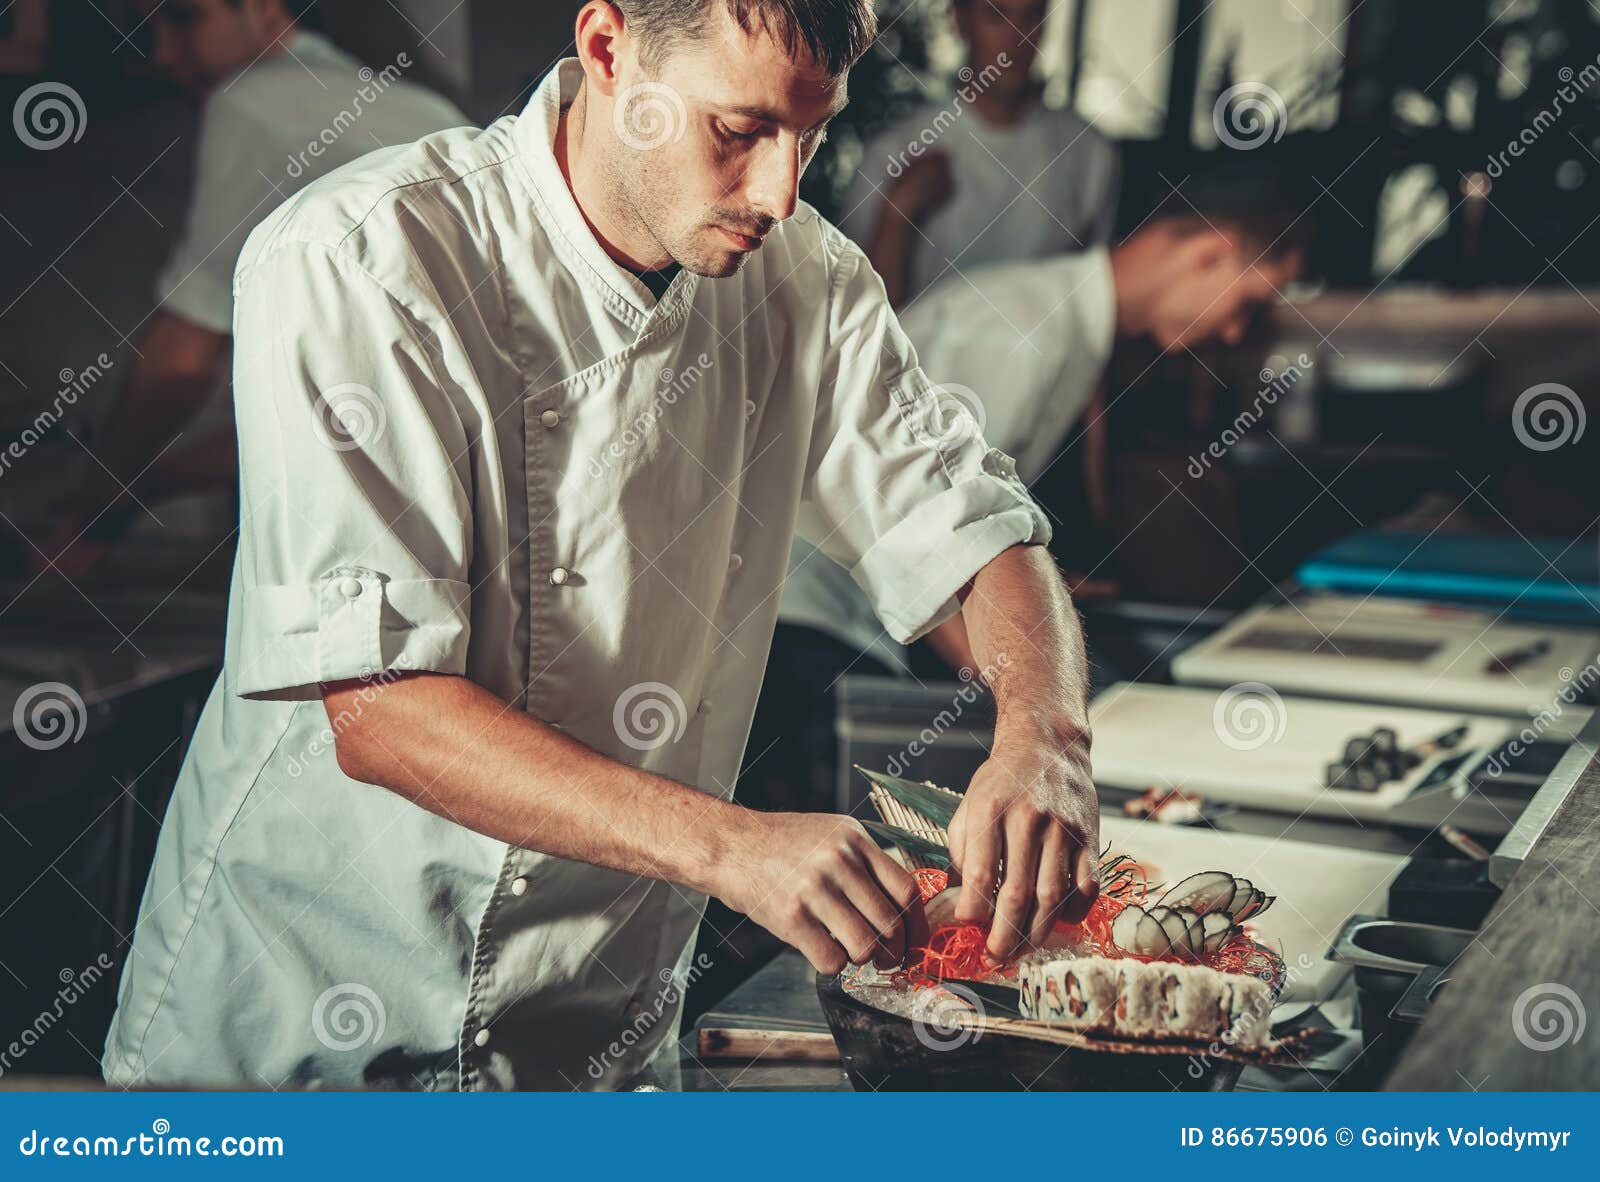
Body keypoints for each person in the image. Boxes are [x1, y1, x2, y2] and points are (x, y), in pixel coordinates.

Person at [103, 0, 1101, 1092]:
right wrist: (733, 848)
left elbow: (972, 529)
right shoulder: (364, 257)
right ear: (608, 49)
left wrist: (1044, 735)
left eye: (810, 137)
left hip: (593, 1042)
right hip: (309, 1030)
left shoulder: (806, 280)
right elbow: (383, 709)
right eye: (740, 130)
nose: (779, 192)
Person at [758, 193, 1309, 831]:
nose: (1238, 332)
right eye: (1250, 304)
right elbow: (933, 535)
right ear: (1210, 253)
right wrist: (1038, 721)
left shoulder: (1070, 327)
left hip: (870, 614)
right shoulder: (1018, 329)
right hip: (815, 620)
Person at [35, 0, 466, 578]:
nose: (162, 53)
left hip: (382, 538)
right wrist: (139, 492)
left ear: (263, 9)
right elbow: (368, 409)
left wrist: (95, 509)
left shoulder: (249, 104)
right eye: (148, 29)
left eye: (183, 19)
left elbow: (182, 361)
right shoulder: (426, 109)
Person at [840, 0, 1119, 307]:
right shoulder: (894, 153)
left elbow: (1093, 305)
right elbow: (858, 318)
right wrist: (897, 217)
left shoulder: (1090, 155)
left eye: (1031, 16)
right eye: (997, 16)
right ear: (960, 22)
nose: (1017, 37)